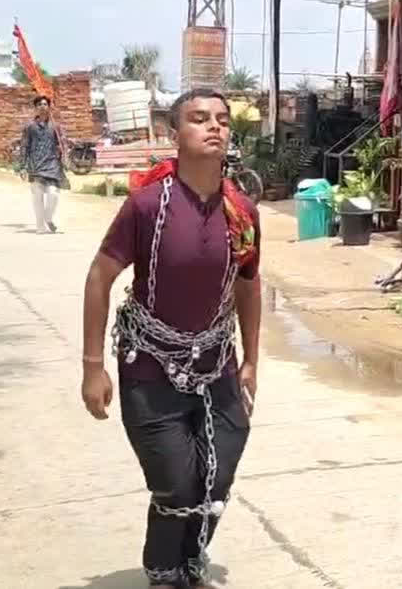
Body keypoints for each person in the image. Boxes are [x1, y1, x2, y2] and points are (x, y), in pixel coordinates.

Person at [80, 89, 262, 588]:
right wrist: (92, 366)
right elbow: (100, 277)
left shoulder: (241, 211)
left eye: (222, 120)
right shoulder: (146, 207)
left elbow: (248, 283)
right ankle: (165, 572)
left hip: (217, 362)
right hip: (149, 366)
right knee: (177, 483)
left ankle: (189, 561)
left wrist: (250, 360)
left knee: (217, 473)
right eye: (199, 119)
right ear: (174, 133)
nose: (214, 127)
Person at [17, 95, 69, 234]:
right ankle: (40, 226)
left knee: (54, 194)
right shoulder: (30, 127)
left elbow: (63, 144)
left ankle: (48, 217)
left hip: (52, 164)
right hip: (35, 165)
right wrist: (22, 166)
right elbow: (24, 146)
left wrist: (63, 153)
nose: (42, 106)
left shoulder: (56, 126)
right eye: (39, 104)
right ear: (35, 108)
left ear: (49, 107)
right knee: (37, 197)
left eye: (45, 104)